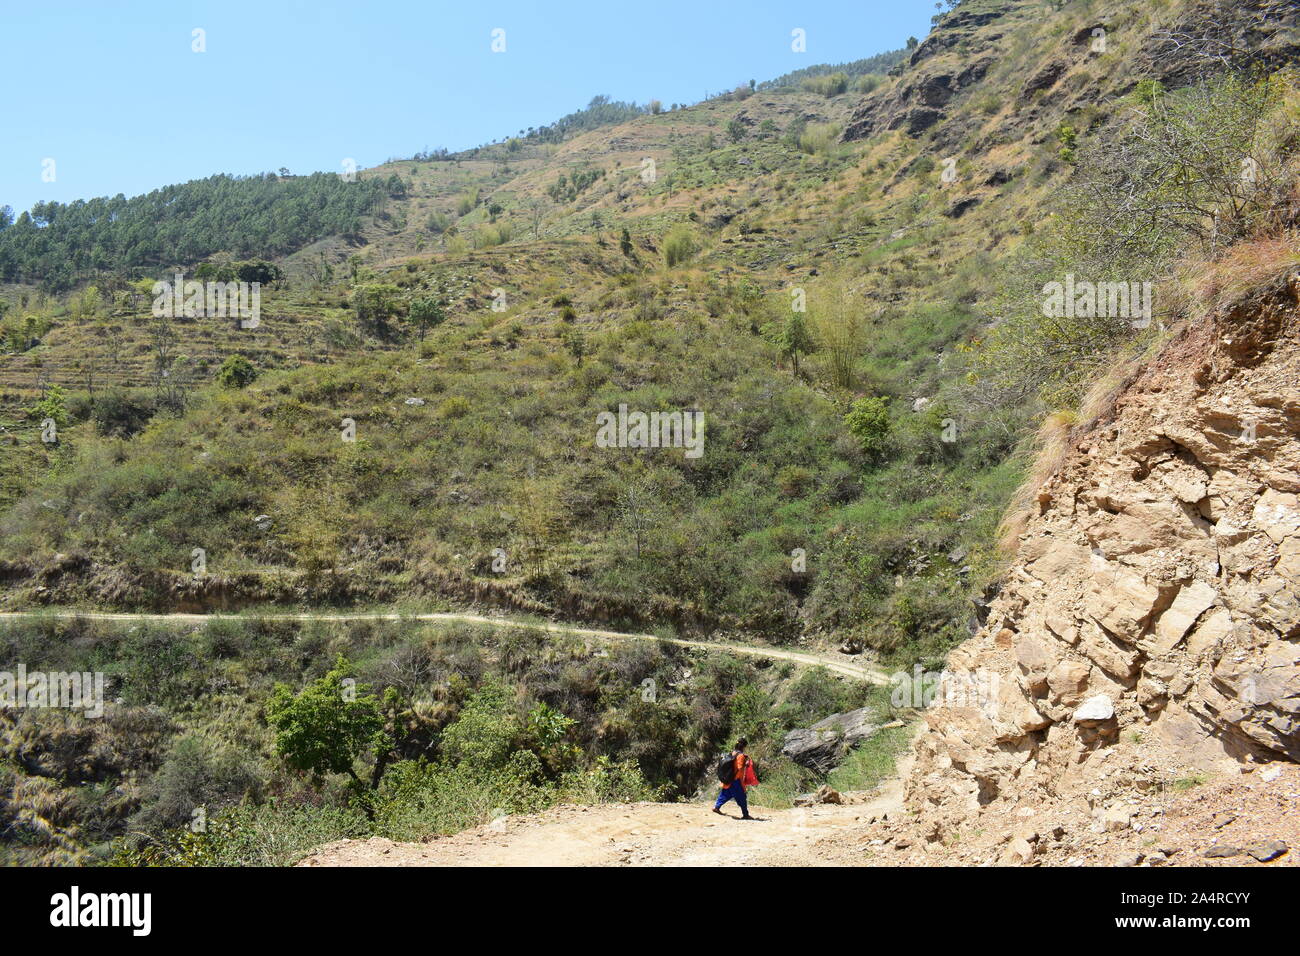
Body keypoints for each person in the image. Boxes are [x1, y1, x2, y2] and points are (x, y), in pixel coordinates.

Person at [713, 738, 758, 820]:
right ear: (744, 746)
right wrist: (746, 764)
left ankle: (716, 807)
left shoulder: (733, 752)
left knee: (725, 793)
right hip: (736, 780)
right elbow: (739, 767)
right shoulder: (741, 755)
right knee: (742, 797)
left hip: (729, 778)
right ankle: (745, 814)